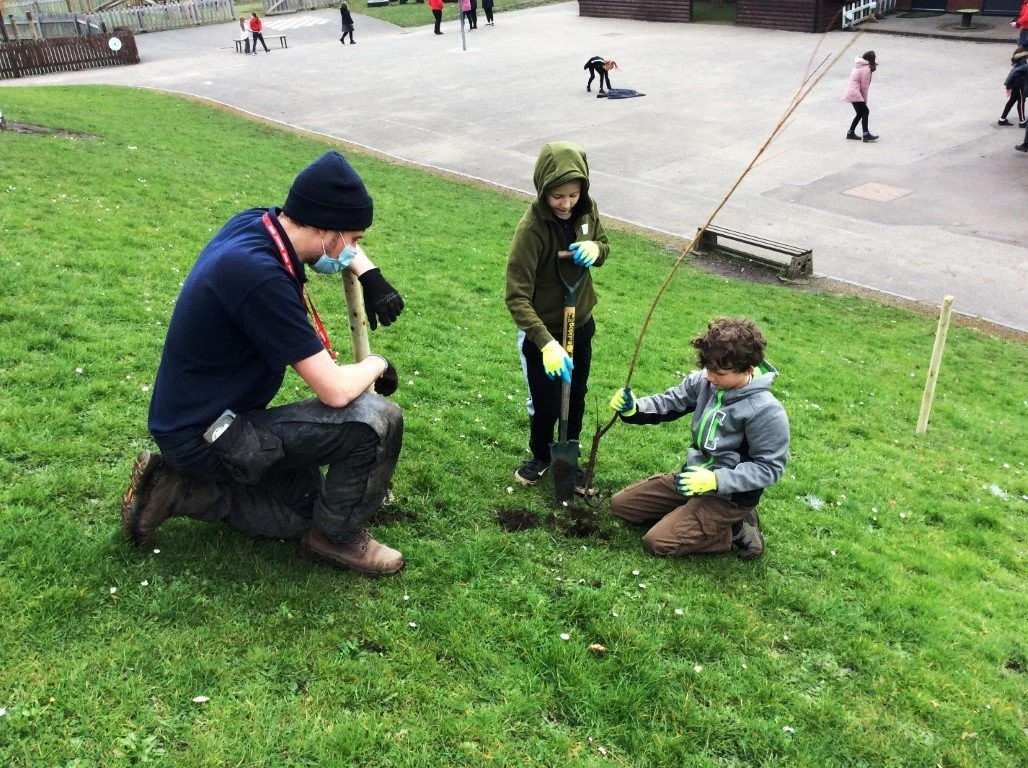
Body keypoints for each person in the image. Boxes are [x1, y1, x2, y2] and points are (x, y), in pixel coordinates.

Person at [121, 152, 409, 576]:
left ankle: (175, 489)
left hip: (203, 418)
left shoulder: (259, 225)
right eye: (355, 240)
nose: (353, 252)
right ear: (326, 227)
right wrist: (378, 363)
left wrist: (370, 274)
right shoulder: (259, 278)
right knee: (376, 420)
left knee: (309, 509)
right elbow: (332, 390)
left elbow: (337, 239)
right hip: (210, 434)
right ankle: (337, 538)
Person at [607, 317, 790, 560]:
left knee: (657, 542)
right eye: (708, 369)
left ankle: (733, 529)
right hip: (691, 478)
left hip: (729, 496)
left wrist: (715, 479)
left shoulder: (766, 411)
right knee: (620, 506)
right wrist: (634, 408)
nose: (710, 377)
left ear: (747, 369)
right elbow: (669, 402)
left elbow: (770, 468)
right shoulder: (706, 380)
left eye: (719, 373)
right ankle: (691, 512)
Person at [505, 141, 609, 493]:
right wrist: (546, 344)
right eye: (557, 196)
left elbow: (604, 244)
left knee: (576, 393)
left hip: (580, 325)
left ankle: (569, 457)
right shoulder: (531, 230)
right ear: (543, 190)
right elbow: (516, 297)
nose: (566, 203)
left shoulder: (587, 210)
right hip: (543, 334)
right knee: (546, 400)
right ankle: (540, 455)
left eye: (573, 194)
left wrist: (597, 250)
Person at [844, 50, 878, 142]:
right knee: (865, 111)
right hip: (855, 93)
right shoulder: (866, 69)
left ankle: (850, 133)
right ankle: (866, 134)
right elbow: (864, 87)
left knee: (860, 113)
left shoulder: (860, 65)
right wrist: (864, 100)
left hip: (851, 92)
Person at [999, 49, 1028, 128]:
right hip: (1019, 86)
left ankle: (1002, 119)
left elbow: (1012, 73)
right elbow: (1016, 73)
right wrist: (1008, 84)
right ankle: (1022, 121)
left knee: (1011, 101)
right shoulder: (1024, 63)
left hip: (1015, 85)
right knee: (1021, 101)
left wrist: (1009, 85)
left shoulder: (1018, 62)